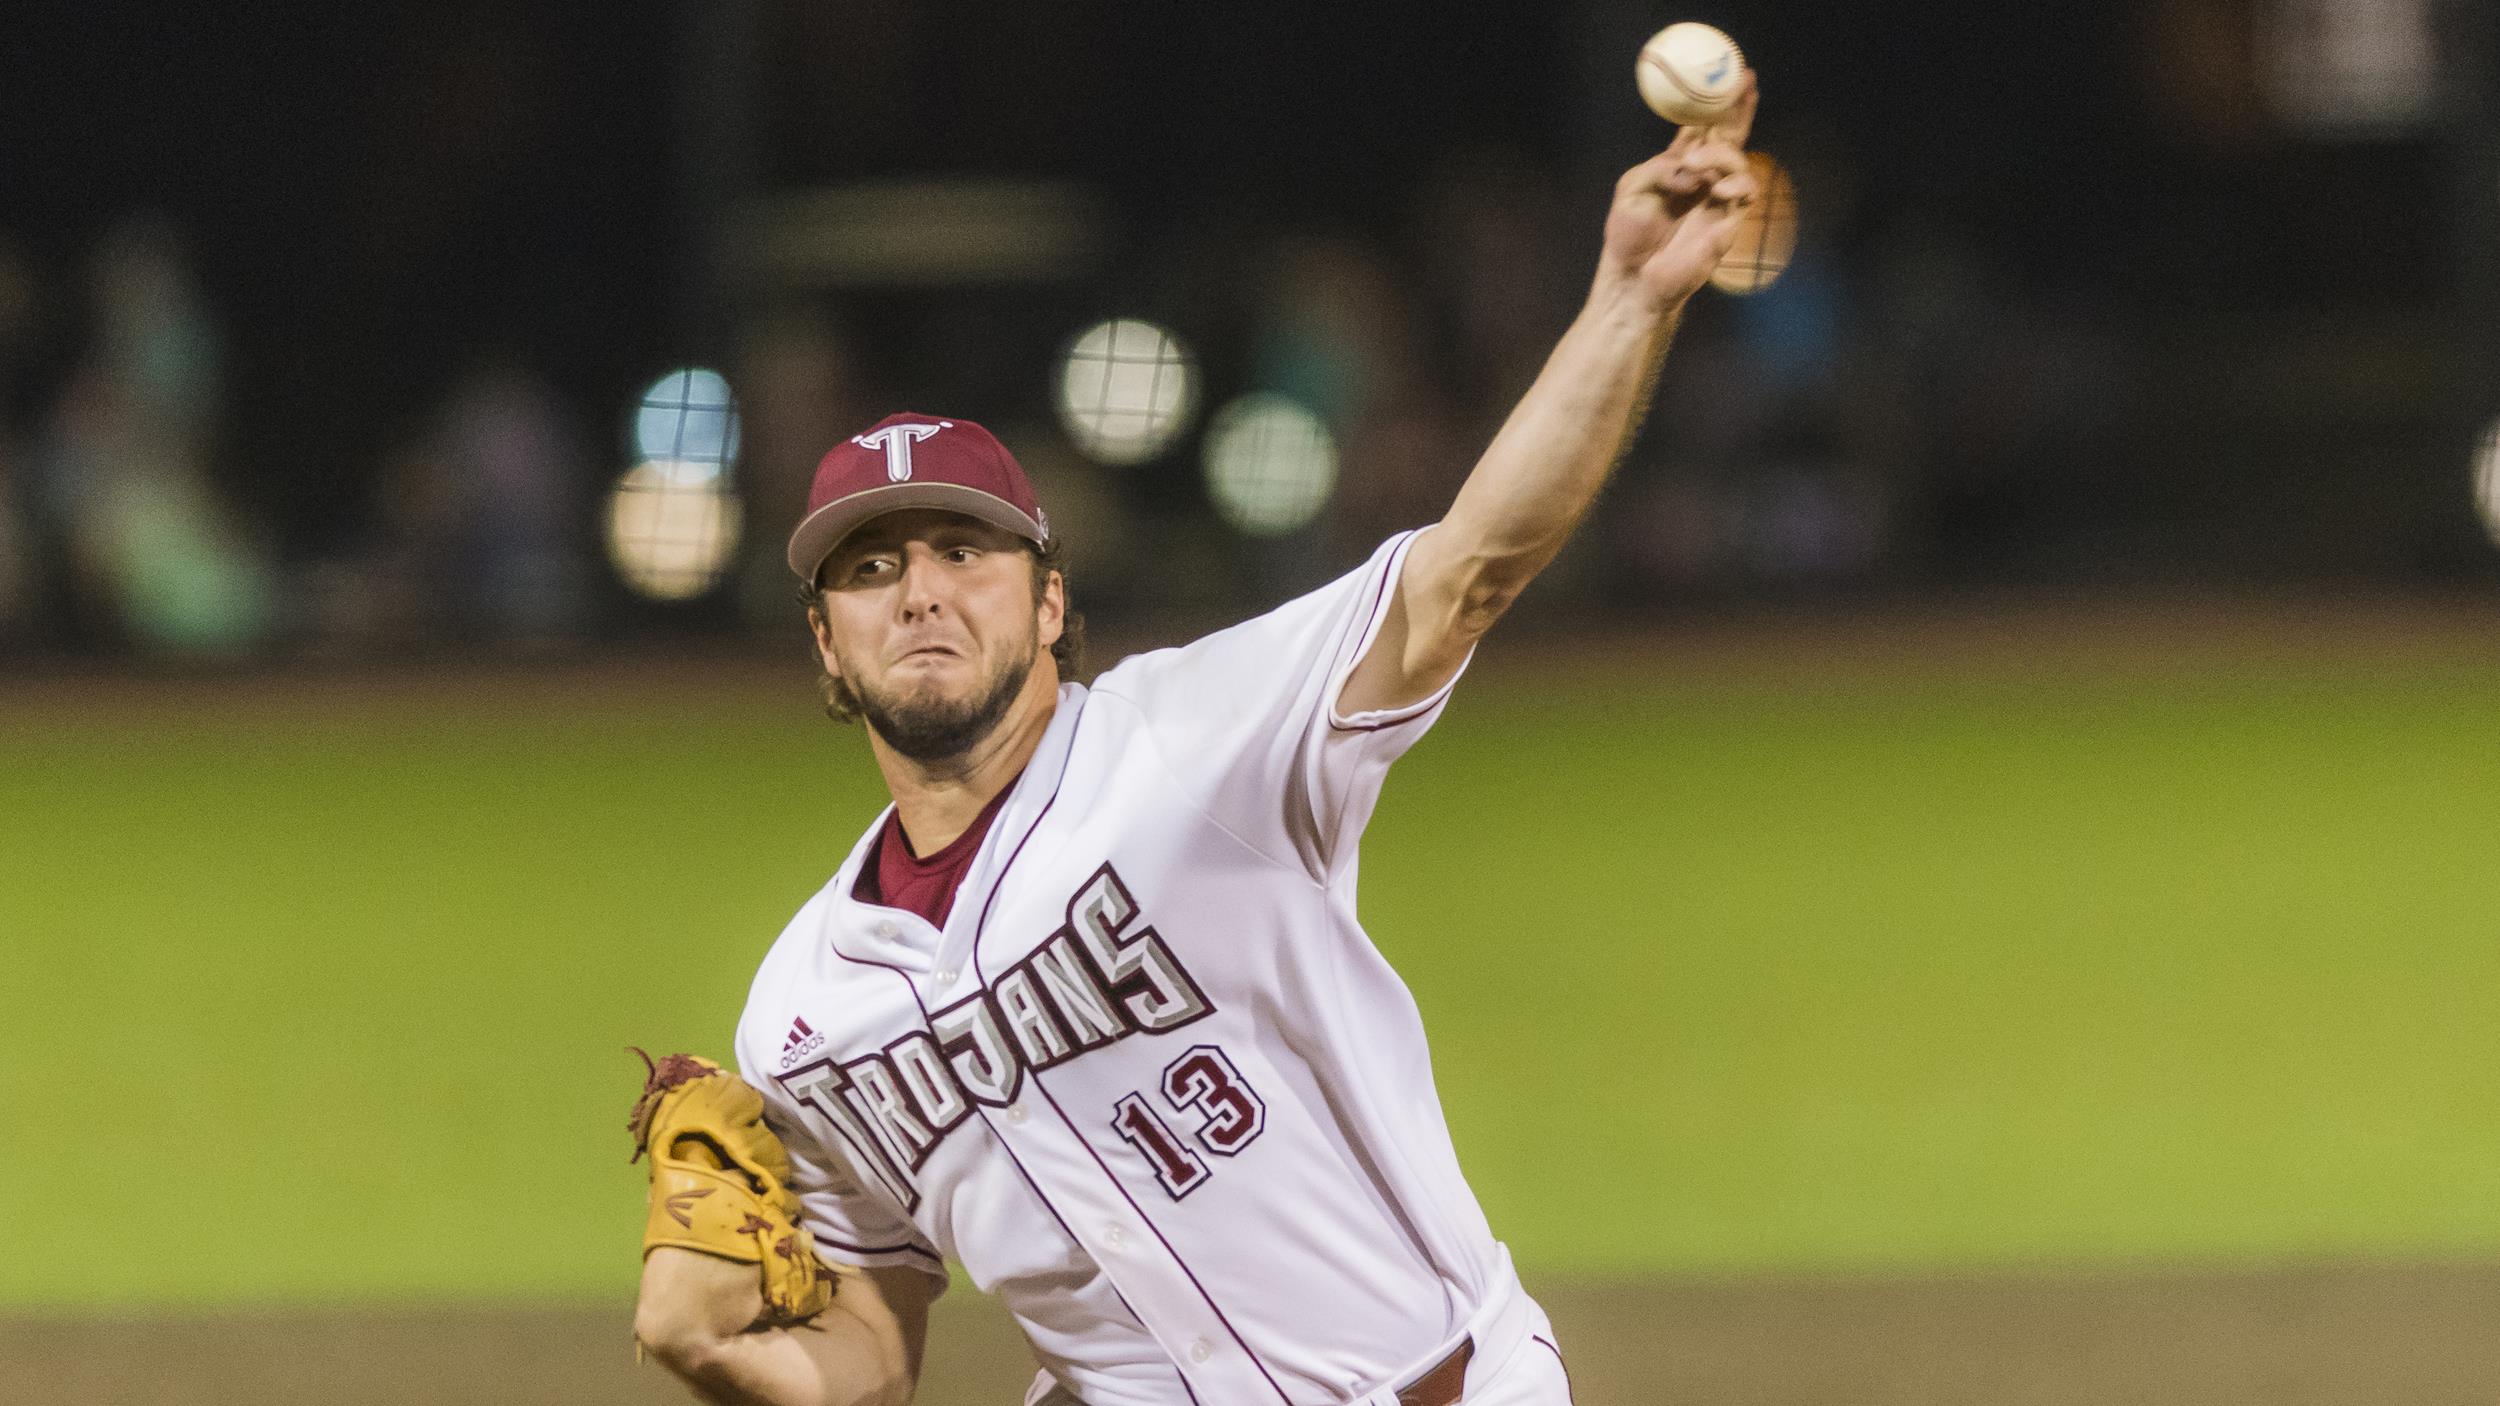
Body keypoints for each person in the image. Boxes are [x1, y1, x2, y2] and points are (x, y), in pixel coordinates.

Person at [633, 84, 1762, 1406]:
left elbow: (1468, 567)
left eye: (962, 551)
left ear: (1051, 599)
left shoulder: (1200, 739)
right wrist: (716, 1350)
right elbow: (876, 1356)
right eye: (870, 569)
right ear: (827, 641)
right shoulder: (802, 1015)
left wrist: (1632, 298)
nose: (921, 591)